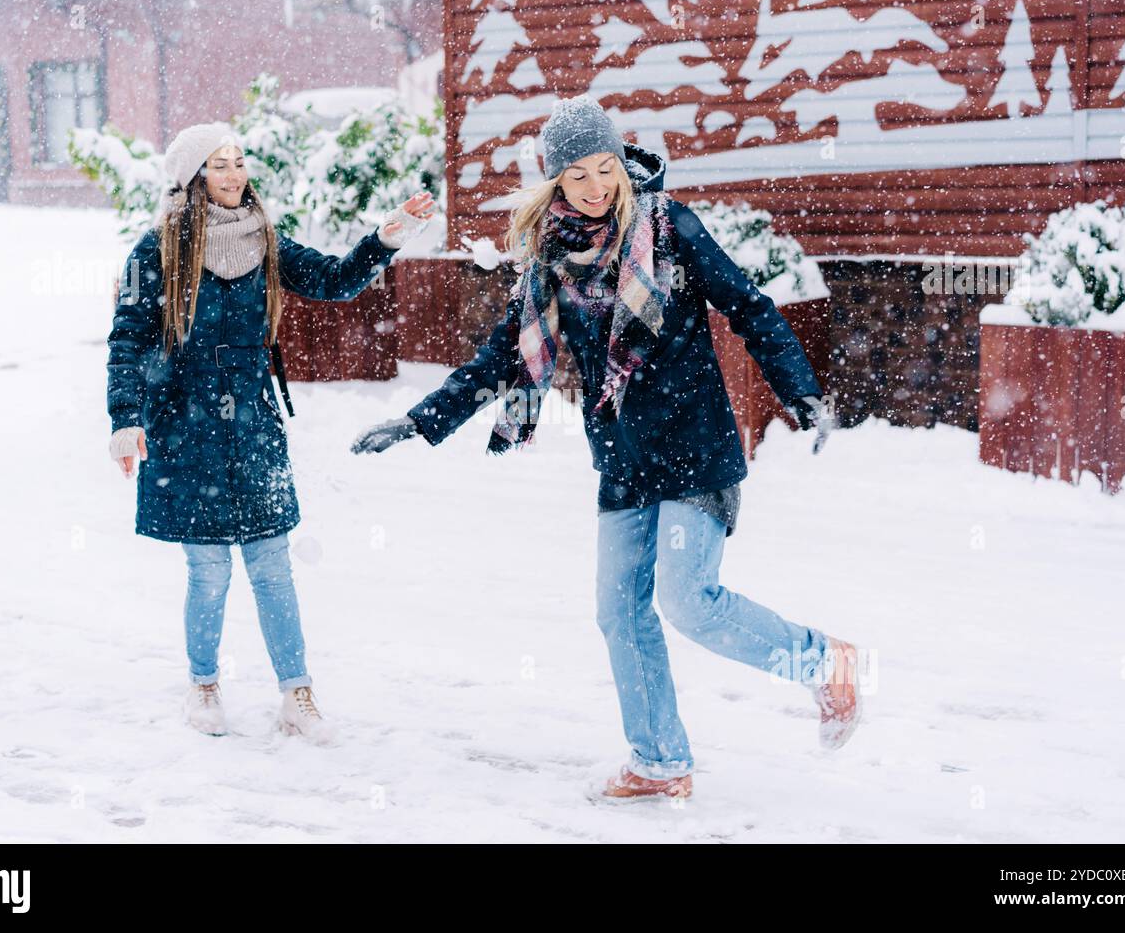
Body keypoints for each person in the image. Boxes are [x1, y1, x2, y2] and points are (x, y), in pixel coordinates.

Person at [351, 95, 859, 801]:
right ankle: (659, 760)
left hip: (694, 447)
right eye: (577, 175)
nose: (596, 186)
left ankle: (823, 663)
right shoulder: (552, 261)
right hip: (623, 458)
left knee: (689, 601)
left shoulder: (669, 231)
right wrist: (420, 419)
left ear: (623, 164)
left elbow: (748, 306)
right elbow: (504, 358)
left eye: (605, 169)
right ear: (554, 184)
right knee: (618, 612)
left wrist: (801, 391)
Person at [106, 121, 434, 739]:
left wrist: (385, 238)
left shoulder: (267, 241)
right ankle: (203, 685)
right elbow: (127, 339)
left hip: (253, 427)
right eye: (219, 165)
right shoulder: (156, 251)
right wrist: (124, 419)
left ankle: (297, 694)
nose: (234, 175)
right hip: (183, 431)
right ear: (194, 179)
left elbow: (335, 280)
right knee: (208, 572)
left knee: (272, 566)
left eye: (238, 161)